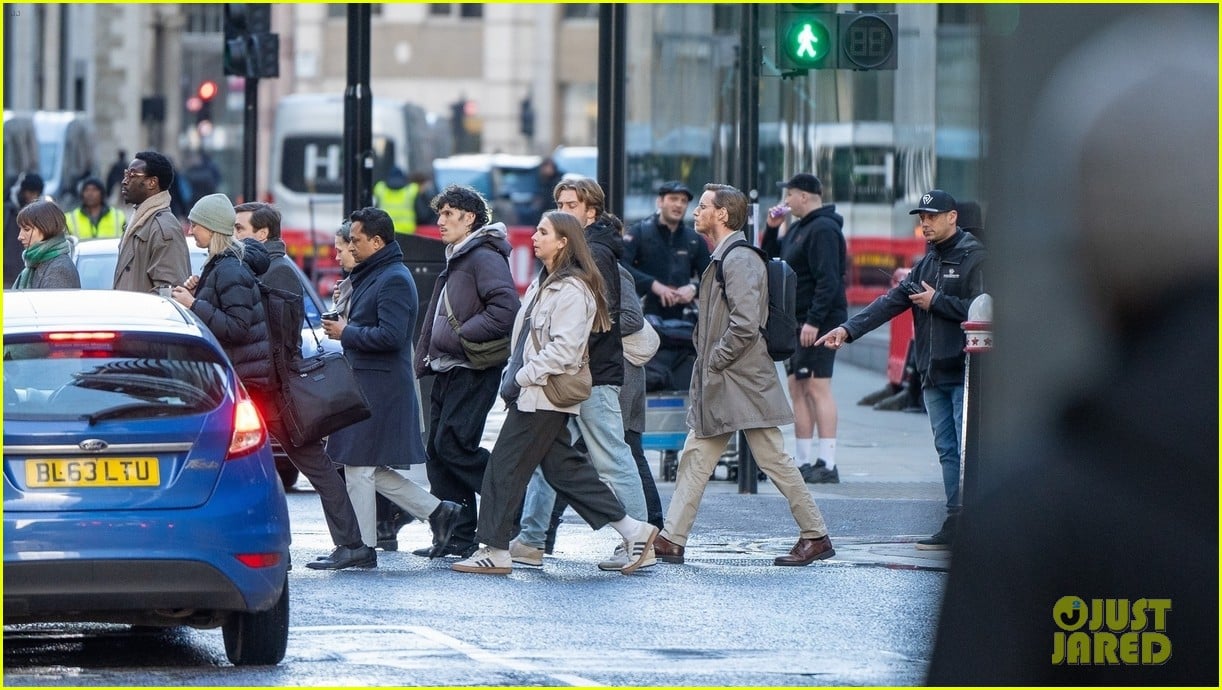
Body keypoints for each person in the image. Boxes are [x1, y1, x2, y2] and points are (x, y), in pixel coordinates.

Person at [452, 211, 658, 576]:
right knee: (564, 470)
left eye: (543, 232)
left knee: (504, 467)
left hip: (543, 393)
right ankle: (634, 530)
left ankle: (496, 549)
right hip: (535, 391)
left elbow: (565, 349)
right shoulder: (546, 281)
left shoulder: (573, 288)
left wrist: (522, 378)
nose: (534, 237)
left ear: (563, 242)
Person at [651, 184, 836, 568]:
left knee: (773, 460)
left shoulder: (739, 259)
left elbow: (745, 324)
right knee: (696, 457)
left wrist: (715, 360)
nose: (694, 212)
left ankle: (815, 534)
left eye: (702, 207)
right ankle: (671, 538)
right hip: (726, 380)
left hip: (740, 379)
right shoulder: (725, 256)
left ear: (722, 215)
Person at [815, 189, 985, 550]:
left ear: (952, 217)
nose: (924, 225)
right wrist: (847, 330)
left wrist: (937, 301)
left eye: (931, 217)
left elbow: (983, 308)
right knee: (948, 450)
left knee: (968, 451)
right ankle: (957, 518)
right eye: (921, 219)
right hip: (932, 372)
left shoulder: (974, 258)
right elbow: (891, 301)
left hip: (964, 372)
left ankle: (972, 520)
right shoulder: (928, 262)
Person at [509, 178, 650, 569]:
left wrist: (562, 350)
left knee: (611, 458)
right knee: (547, 454)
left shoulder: (595, 253)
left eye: (572, 205)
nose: (563, 209)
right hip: (572, 372)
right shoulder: (578, 249)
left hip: (590, 374)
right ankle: (531, 539)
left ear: (592, 212)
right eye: (559, 202)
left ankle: (641, 542)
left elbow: (604, 318)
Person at [230, 202, 372, 570]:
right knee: (302, 467)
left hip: (276, 392)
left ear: (262, 234)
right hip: (270, 389)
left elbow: (278, 337)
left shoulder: (276, 272)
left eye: (240, 229)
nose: (235, 236)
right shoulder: (265, 268)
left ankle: (349, 545)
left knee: (308, 467)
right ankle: (346, 545)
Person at [322, 207, 461, 564]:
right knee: (364, 466)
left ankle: (362, 546)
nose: (349, 246)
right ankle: (437, 512)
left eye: (355, 240)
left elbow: (393, 335)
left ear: (377, 241)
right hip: (367, 382)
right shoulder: (375, 273)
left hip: (380, 386)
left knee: (357, 465)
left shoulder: (394, 278)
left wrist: (346, 332)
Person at [412, 185, 520, 559]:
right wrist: (426, 354)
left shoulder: (482, 256)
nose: (439, 221)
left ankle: (511, 502)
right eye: (439, 213)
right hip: (448, 366)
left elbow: (506, 308)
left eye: (447, 214)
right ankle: (456, 537)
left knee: (454, 447)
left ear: (469, 218)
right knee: (438, 452)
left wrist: (461, 335)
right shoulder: (460, 255)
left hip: (471, 366)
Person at [763, 173, 848, 484]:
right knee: (797, 388)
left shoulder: (824, 229)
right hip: (796, 320)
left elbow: (829, 280)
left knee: (816, 386)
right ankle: (802, 461)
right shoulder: (799, 227)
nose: (786, 201)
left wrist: (814, 320)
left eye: (790, 194)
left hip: (818, 322)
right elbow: (775, 262)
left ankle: (827, 461)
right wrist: (771, 230)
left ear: (804, 196)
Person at [621, 180, 710, 393]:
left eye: (683, 201)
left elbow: (711, 275)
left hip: (682, 326)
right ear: (659, 201)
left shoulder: (694, 239)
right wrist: (653, 285)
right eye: (673, 199)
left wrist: (693, 289)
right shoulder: (640, 232)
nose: (678, 205)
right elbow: (620, 266)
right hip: (645, 318)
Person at [113, 151, 191, 293]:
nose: (124, 181)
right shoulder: (140, 221)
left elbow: (169, 292)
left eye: (132, 175)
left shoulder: (163, 228)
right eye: (126, 174)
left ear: (152, 182)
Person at [11, 200, 81, 289]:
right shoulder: (34, 264)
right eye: (20, 229)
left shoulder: (59, 269)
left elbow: (49, 303)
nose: (20, 237)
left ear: (46, 228)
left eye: (27, 229)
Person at [5, 171, 46, 287]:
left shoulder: (43, 211)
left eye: (36, 192)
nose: (32, 196)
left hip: (32, 270)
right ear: (23, 191)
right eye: (30, 191)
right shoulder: (8, 211)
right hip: (7, 271)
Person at [372, 166, 419, 235]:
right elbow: (421, 213)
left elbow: (373, 209)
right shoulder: (411, 190)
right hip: (407, 232)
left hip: (386, 231)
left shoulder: (380, 189)